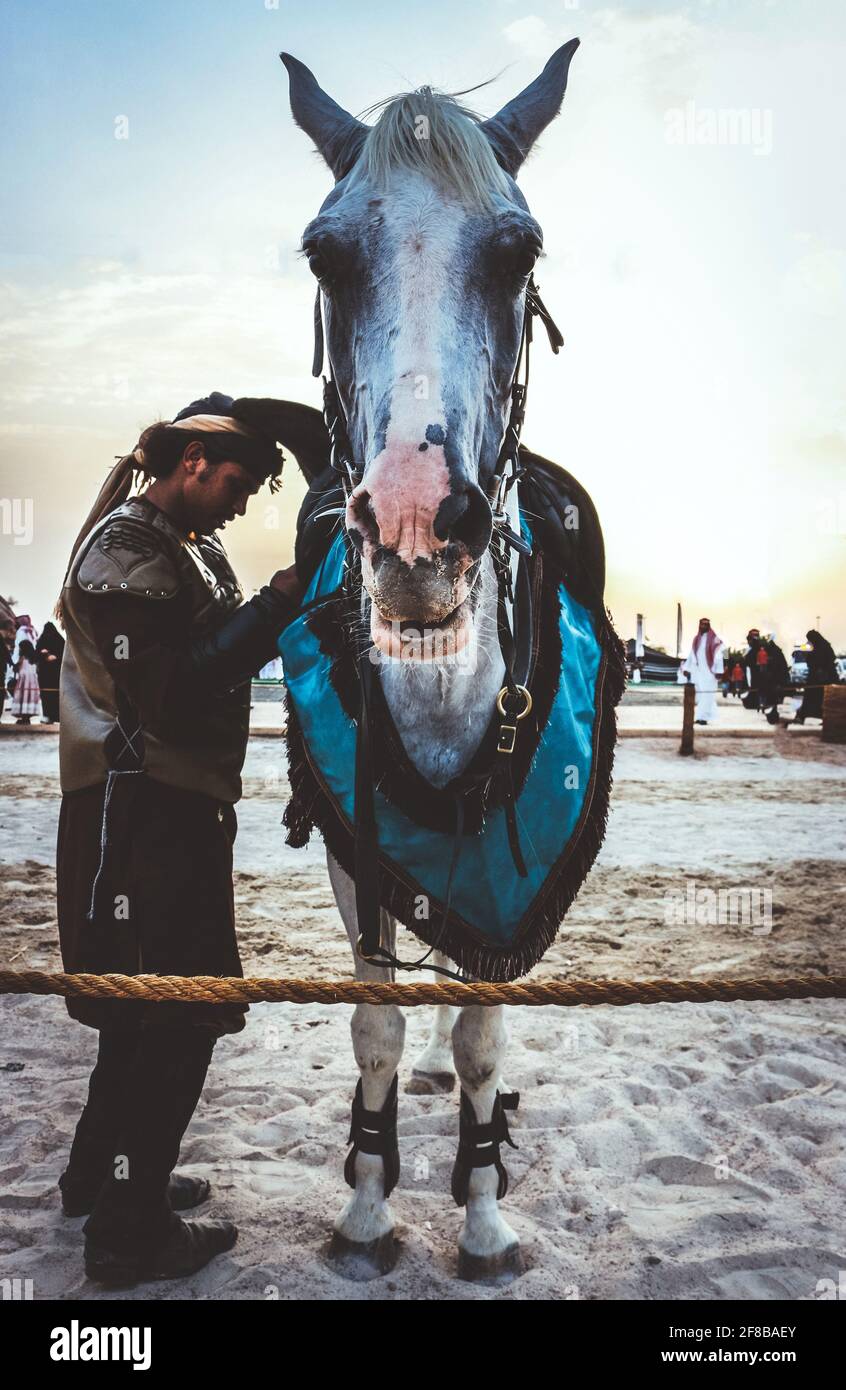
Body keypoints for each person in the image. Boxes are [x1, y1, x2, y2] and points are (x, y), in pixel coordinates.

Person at [55, 391, 310, 1287]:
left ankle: (101, 1174)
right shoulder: (129, 549)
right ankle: (130, 1232)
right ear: (192, 461)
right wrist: (281, 598)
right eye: (237, 482)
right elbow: (171, 690)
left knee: (136, 1005)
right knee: (175, 1015)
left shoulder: (180, 545)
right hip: (142, 812)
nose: (244, 503)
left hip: (162, 806)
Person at [681, 617, 724, 724]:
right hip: (699, 673)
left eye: (706, 624)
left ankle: (703, 718)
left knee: (708, 695)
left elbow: (720, 655)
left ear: (709, 626)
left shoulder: (715, 639)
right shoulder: (696, 639)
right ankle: (705, 716)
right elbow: (692, 655)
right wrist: (687, 668)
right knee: (702, 695)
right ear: (699, 625)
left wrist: (719, 670)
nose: (704, 626)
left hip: (711, 672)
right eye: (702, 624)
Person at [793, 628, 838, 723]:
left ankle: (808, 715)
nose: (809, 641)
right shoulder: (823, 645)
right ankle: (808, 715)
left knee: (814, 698)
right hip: (819, 678)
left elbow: (818, 662)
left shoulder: (822, 647)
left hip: (821, 679)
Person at [36, 620, 64, 723]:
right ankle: (56, 716)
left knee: (47, 695)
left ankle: (48, 716)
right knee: (55, 695)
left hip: (45, 675)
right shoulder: (60, 640)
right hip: (56, 674)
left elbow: (36, 656)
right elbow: (65, 656)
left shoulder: (42, 640)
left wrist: (46, 656)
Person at [758, 634, 789, 724]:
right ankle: (772, 715)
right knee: (773, 699)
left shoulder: (771, 652)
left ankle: (772, 716)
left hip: (772, 681)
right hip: (774, 681)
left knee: (771, 699)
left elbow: (777, 667)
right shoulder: (776, 651)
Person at [10, 636, 41, 723]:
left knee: (23, 698)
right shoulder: (34, 659)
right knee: (29, 698)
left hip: (23, 683)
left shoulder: (23, 658)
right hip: (32, 683)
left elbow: (17, 668)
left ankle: (24, 718)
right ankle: (26, 718)